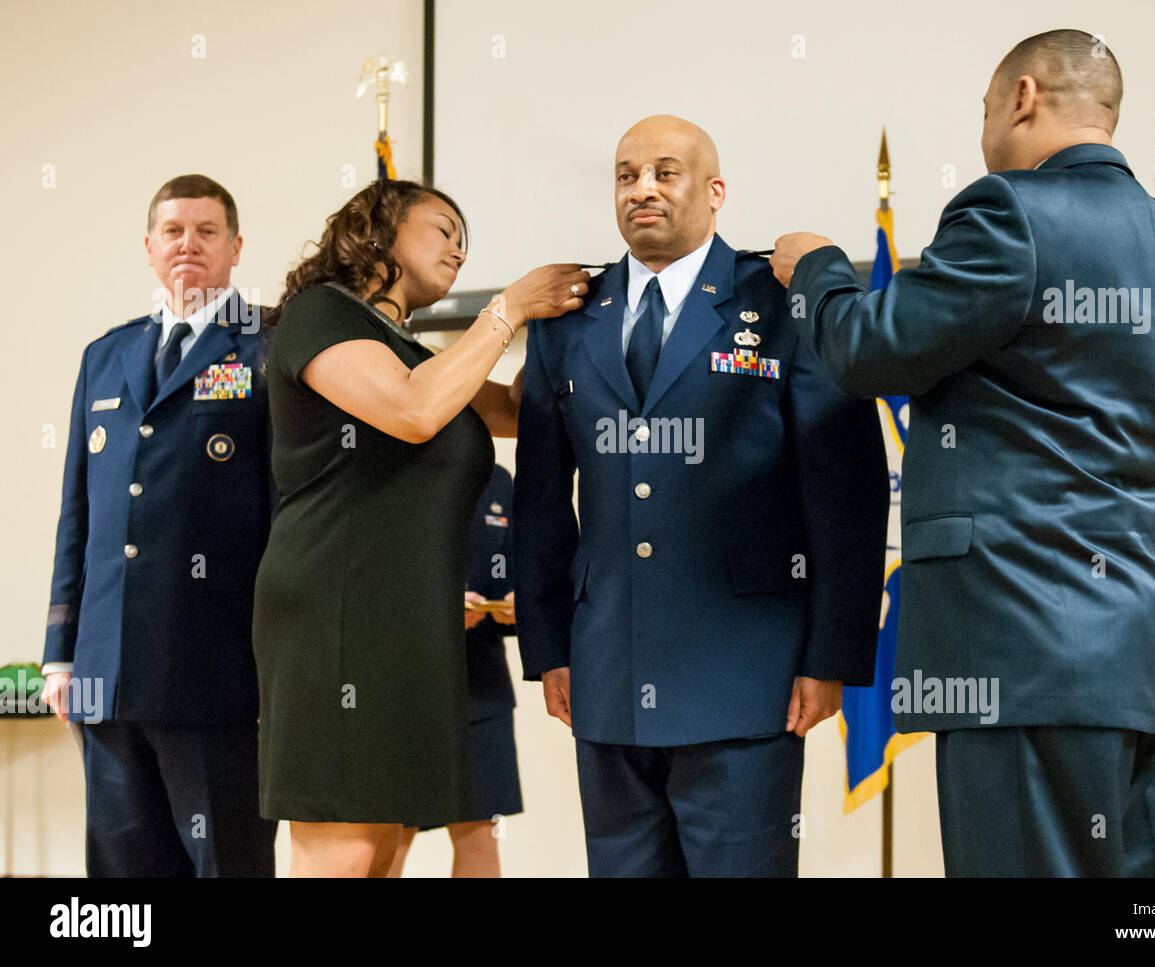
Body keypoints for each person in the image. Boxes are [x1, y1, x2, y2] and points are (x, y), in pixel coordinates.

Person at [771, 29, 1155, 876]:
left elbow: (870, 352)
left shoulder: (1008, 209)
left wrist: (819, 271)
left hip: (1020, 654)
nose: (983, 127)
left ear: (1023, 95)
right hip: (1145, 664)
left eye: (985, 107)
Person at [514, 116, 889, 877]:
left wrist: (832, 654)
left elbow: (846, 487)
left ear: (716, 192)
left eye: (664, 171)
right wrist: (549, 643)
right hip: (608, 670)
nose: (642, 188)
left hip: (748, 673)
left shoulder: (781, 300)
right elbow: (543, 498)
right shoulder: (569, 314)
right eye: (625, 174)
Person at [253, 178, 587, 877]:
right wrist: (509, 306)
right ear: (378, 230)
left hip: (406, 626)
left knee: (382, 844)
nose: (460, 250)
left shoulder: (411, 350)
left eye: (467, 241)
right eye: (444, 230)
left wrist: (562, 326)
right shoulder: (320, 314)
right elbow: (413, 411)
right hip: (337, 612)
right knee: (342, 847)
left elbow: (517, 409)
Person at [40, 174, 277, 876]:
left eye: (207, 231)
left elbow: (283, 508)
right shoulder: (105, 355)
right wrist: (60, 651)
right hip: (105, 671)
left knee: (224, 860)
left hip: (218, 669)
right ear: (149, 248)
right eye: (173, 231)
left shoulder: (267, 344)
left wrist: (280, 664)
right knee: (122, 873)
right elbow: (78, 513)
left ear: (235, 247)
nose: (188, 245)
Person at [388, 464, 524, 878]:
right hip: (397, 685)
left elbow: (512, 566)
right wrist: (430, 610)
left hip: (480, 682)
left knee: (482, 831)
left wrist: (518, 603)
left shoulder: (496, 479)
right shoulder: (386, 467)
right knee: (389, 837)